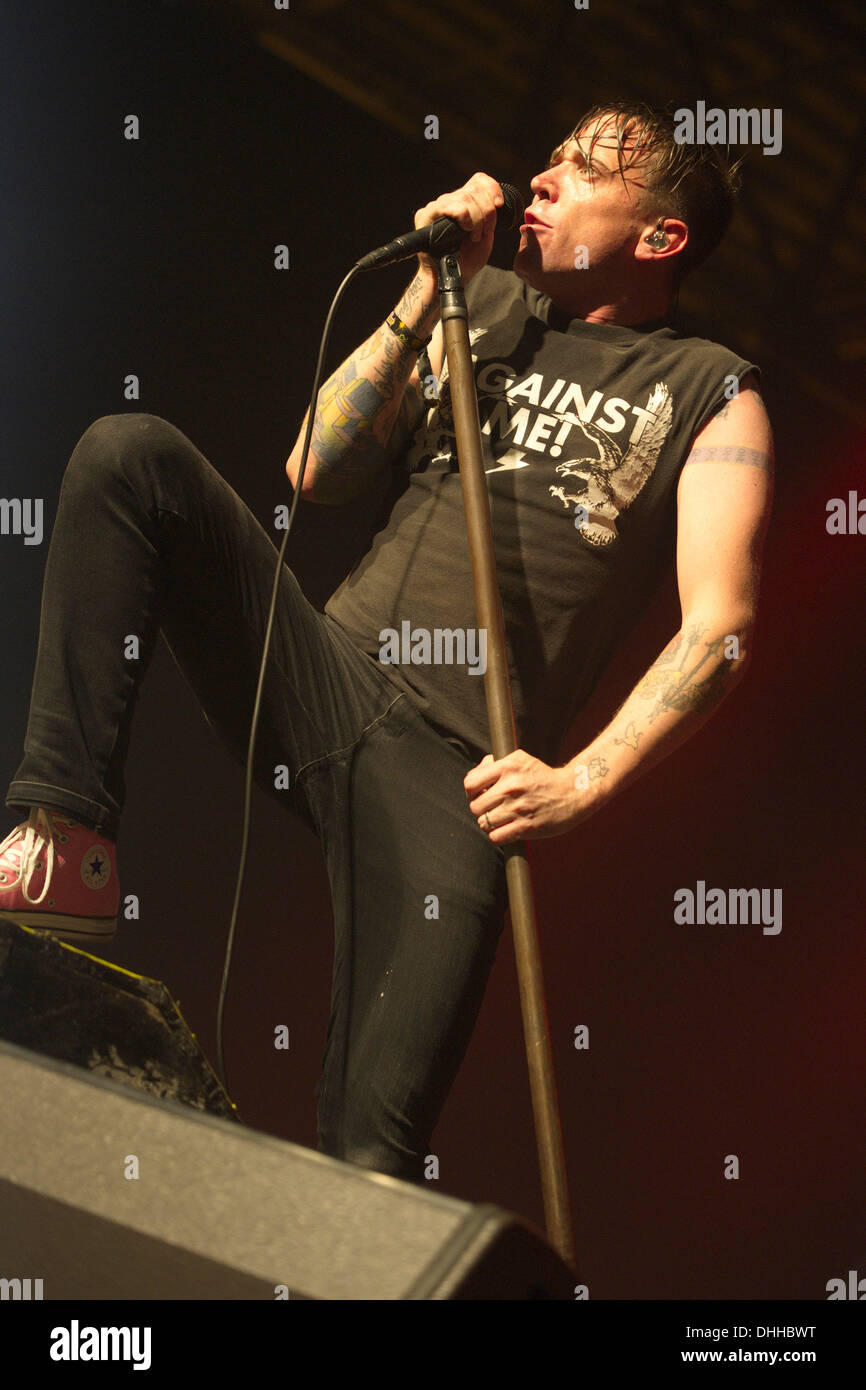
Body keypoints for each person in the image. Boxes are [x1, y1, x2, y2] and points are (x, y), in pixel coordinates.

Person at [0, 102, 773, 1183]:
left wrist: (580, 783)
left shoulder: (709, 392)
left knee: (374, 1153)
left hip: (457, 776)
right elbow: (315, 465)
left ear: (658, 238)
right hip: (330, 675)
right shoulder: (479, 305)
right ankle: (66, 838)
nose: (541, 179)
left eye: (583, 170)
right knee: (131, 455)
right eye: (546, 155)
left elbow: (720, 628)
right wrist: (429, 287)